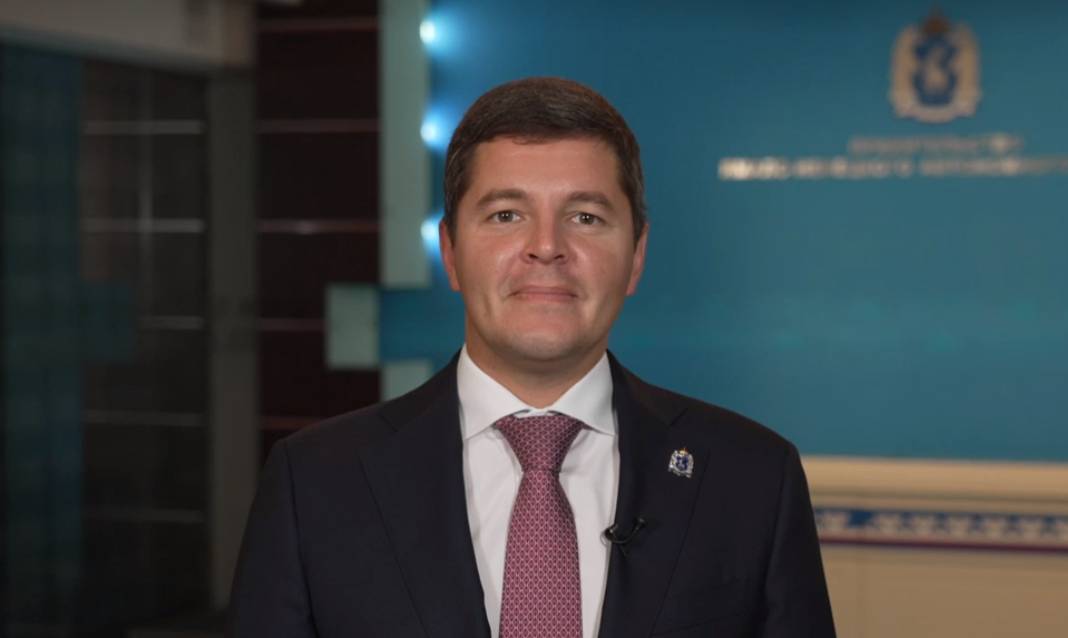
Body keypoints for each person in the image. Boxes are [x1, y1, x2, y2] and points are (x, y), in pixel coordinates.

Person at [228, 77, 836, 638]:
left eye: (585, 217)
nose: (546, 247)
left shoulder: (754, 478)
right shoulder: (315, 483)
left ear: (637, 256)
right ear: (450, 252)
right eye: (506, 215)